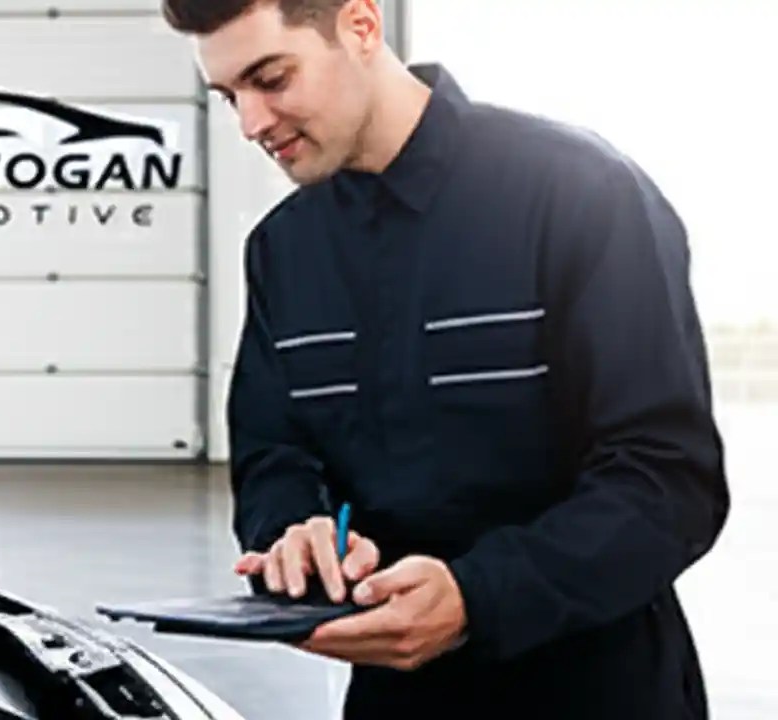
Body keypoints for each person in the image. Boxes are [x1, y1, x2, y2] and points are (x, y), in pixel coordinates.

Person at [159, 0, 730, 717]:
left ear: (361, 26)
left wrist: (476, 598)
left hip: (597, 692)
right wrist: (294, 534)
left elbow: (669, 480)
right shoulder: (284, 249)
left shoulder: (581, 193)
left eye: (271, 79)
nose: (251, 123)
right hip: (396, 700)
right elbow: (274, 453)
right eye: (228, 96)